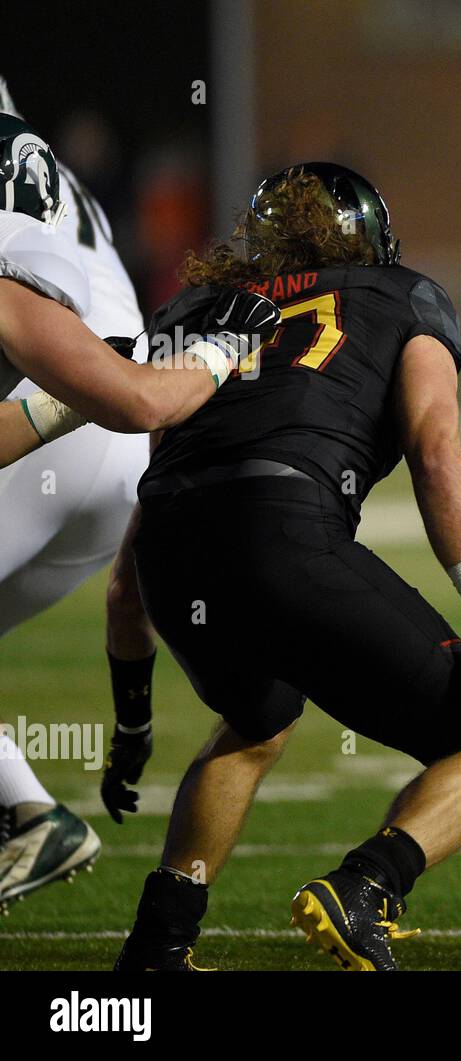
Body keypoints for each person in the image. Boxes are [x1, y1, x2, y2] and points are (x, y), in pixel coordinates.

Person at [112, 163, 461, 971]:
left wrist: (132, 717)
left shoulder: (197, 309)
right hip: (282, 530)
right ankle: (368, 886)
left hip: (169, 551)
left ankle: (159, 941)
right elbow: (436, 452)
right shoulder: (402, 294)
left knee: (258, 718)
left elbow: (140, 535)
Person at [0, 91, 271, 914]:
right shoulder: (32, 158)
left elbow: (76, 354)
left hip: (67, 411)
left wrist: (200, 361)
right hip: (112, 455)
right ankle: (28, 812)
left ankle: (29, 811)